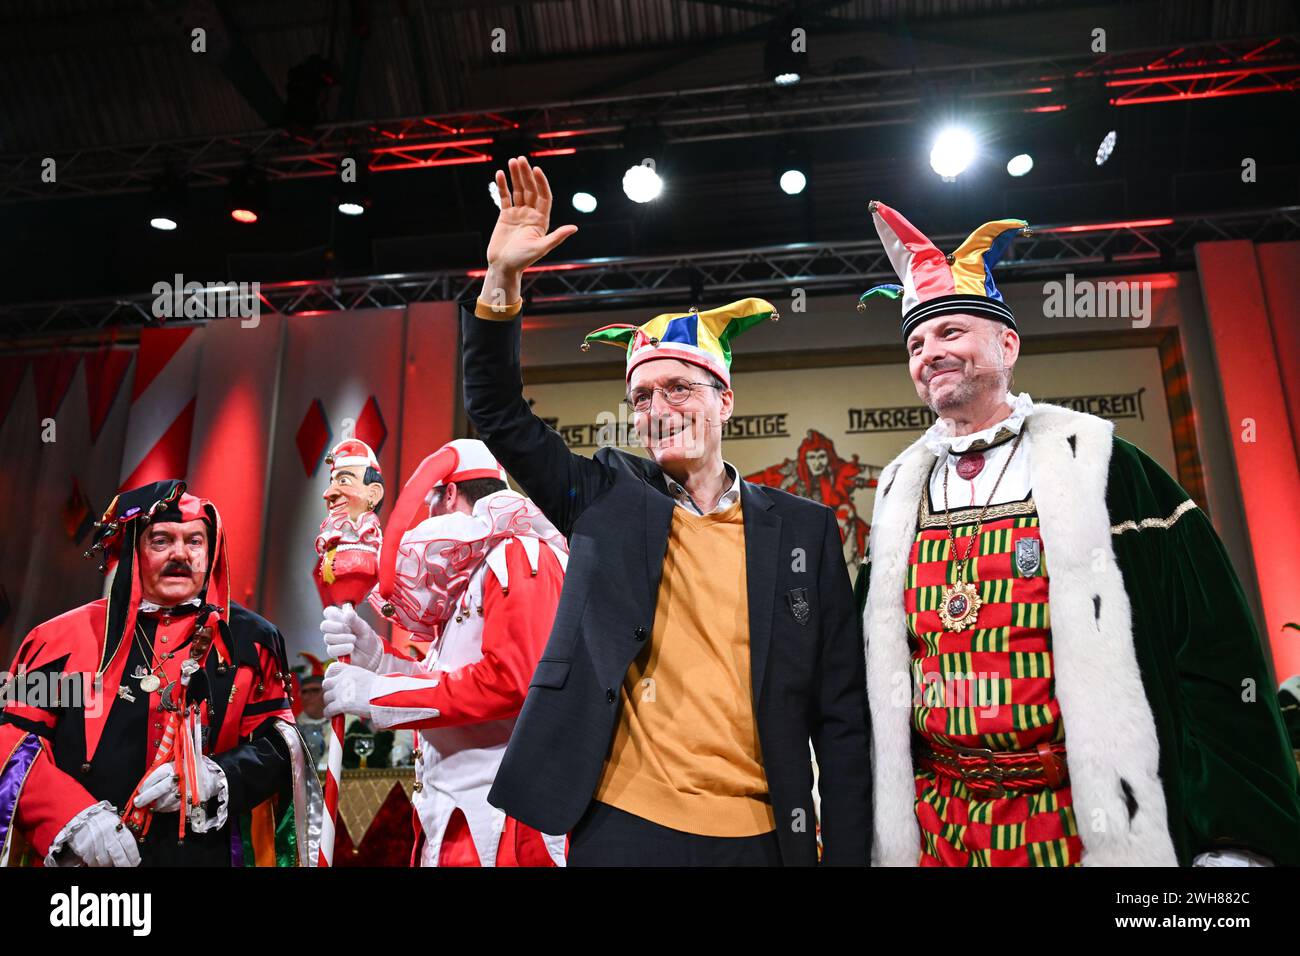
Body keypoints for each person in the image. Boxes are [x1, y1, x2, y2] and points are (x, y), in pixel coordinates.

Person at [856, 200, 1300, 866]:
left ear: (1007, 345)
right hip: (938, 823)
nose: (931, 354)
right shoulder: (894, 494)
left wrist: (1235, 838)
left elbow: (1212, 662)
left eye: (951, 332)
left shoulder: (1111, 469)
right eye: (917, 344)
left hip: (1078, 820)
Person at [461, 156, 871, 866]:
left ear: (725, 401)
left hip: (765, 835)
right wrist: (502, 279)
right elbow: (498, 412)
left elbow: (840, 713)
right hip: (626, 825)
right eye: (642, 397)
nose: (658, 409)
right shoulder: (605, 500)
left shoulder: (804, 528)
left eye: (679, 388)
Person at [0, 480, 320, 867]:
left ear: (212, 551)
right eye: (161, 541)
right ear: (135, 551)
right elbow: (12, 740)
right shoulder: (56, 640)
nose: (180, 554)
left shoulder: (252, 643)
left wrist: (218, 778)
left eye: (195, 542)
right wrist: (68, 817)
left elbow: (281, 746)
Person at [319, 439, 568, 866]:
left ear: (448, 494)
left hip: (503, 829)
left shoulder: (519, 553)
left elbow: (511, 682)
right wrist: (377, 660)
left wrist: (379, 691)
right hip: (452, 821)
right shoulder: (473, 575)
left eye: (430, 503)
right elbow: (455, 680)